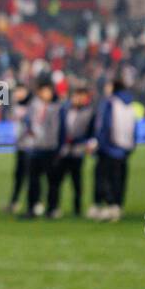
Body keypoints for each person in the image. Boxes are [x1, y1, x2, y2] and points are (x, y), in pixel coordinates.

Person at [92, 77, 137, 221]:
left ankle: (109, 206)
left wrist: (99, 144)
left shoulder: (109, 103)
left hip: (109, 147)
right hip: (125, 148)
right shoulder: (130, 104)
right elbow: (134, 127)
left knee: (106, 178)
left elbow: (103, 125)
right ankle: (118, 206)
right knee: (120, 178)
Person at [21, 78, 66, 220]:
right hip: (35, 148)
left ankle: (52, 208)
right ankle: (32, 207)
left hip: (51, 148)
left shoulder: (58, 107)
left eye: (47, 90)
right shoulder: (34, 105)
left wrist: (60, 148)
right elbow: (27, 121)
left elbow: (62, 129)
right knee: (33, 181)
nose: (44, 93)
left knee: (52, 181)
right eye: (42, 91)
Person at [50, 85, 94, 218]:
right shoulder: (63, 110)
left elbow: (91, 132)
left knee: (77, 182)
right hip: (63, 151)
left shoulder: (89, 113)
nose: (78, 99)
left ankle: (77, 209)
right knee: (56, 181)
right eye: (76, 96)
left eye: (81, 96)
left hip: (77, 151)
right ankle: (53, 207)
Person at [4, 84, 31, 213]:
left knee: (30, 175)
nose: (17, 93)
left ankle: (34, 202)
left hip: (30, 146)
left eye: (20, 90)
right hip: (19, 145)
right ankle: (14, 201)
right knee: (18, 174)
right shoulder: (14, 106)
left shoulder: (32, 106)